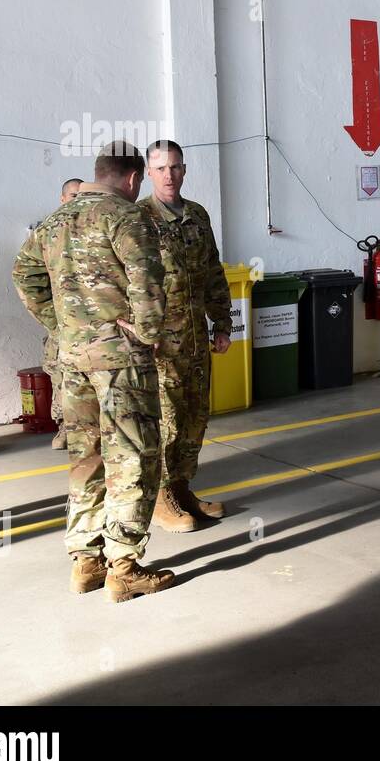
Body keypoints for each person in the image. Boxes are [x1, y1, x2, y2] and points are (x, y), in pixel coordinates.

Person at [12, 141, 175, 601]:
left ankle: (86, 561)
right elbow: (148, 282)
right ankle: (123, 566)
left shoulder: (55, 221)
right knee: (132, 456)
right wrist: (145, 333)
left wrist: (61, 325)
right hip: (119, 362)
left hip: (73, 361)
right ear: (131, 178)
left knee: (86, 456)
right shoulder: (127, 217)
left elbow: (24, 274)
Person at [138, 140, 232, 532]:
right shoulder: (138, 218)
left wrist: (222, 322)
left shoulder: (197, 215)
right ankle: (160, 498)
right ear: (148, 172)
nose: (169, 175)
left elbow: (213, 270)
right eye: (160, 168)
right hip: (160, 342)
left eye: (175, 167)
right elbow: (131, 280)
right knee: (167, 419)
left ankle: (181, 487)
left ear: (185, 169)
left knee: (196, 417)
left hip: (194, 337)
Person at [46, 178, 83, 449]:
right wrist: (52, 318)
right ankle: (63, 428)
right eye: (73, 195)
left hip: (90, 326)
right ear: (62, 199)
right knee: (61, 378)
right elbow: (29, 277)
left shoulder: (94, 231)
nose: (77, 200)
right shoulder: (50, 233)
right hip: (61, 323)